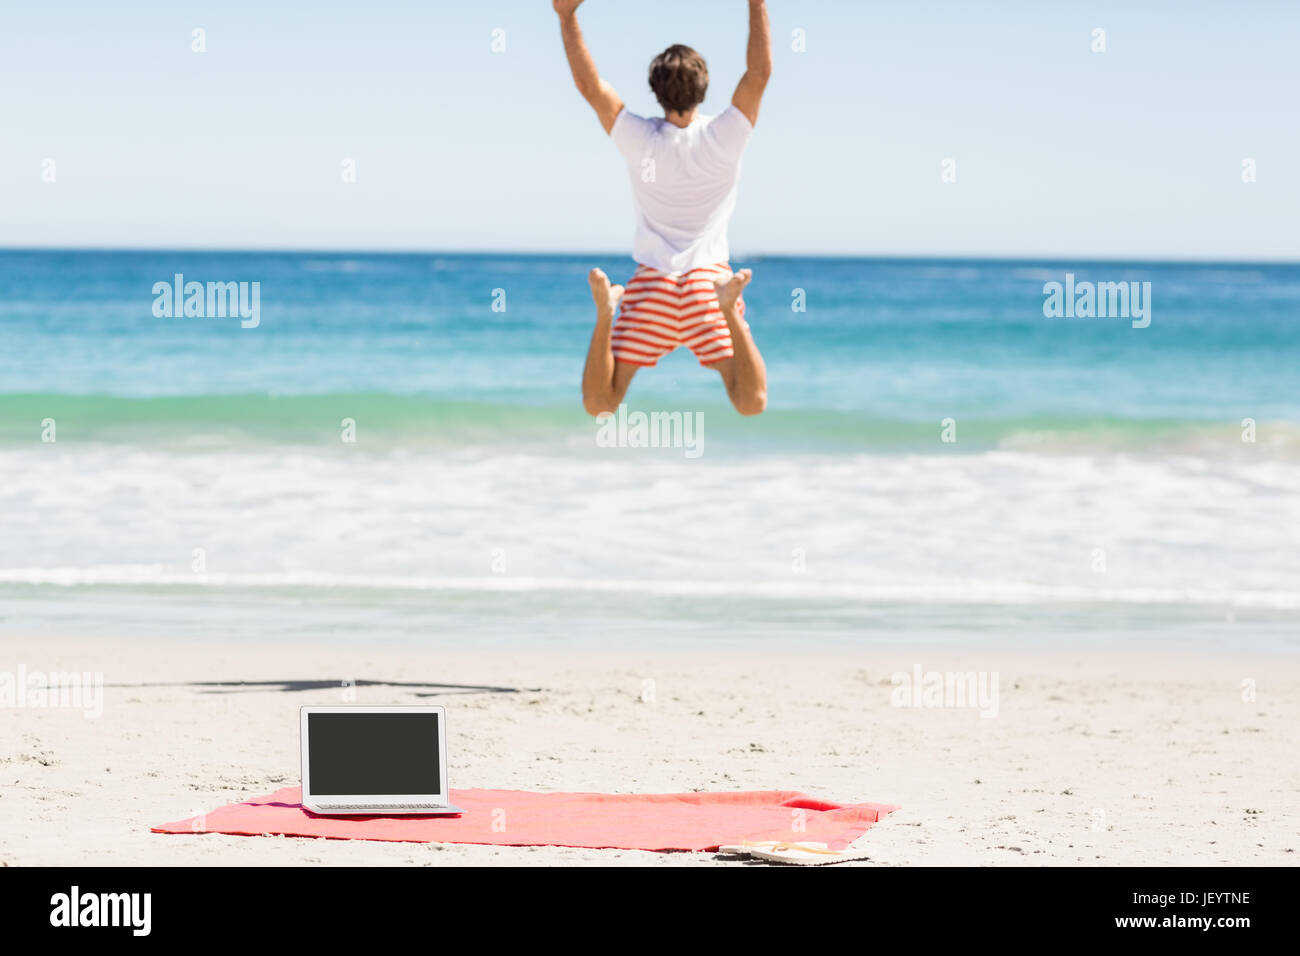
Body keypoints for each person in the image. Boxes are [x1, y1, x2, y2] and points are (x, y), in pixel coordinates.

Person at [554, 0, 772, 416]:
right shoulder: (726, 136)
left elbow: (591, 87)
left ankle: (605, 314)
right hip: (708, 287)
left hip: (652, 285)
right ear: (704, 87)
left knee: (601, 404)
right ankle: (730, 310)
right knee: (750, 402)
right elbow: (759, 75)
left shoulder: (639, 139)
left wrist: (566, 17)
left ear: (655, 91)